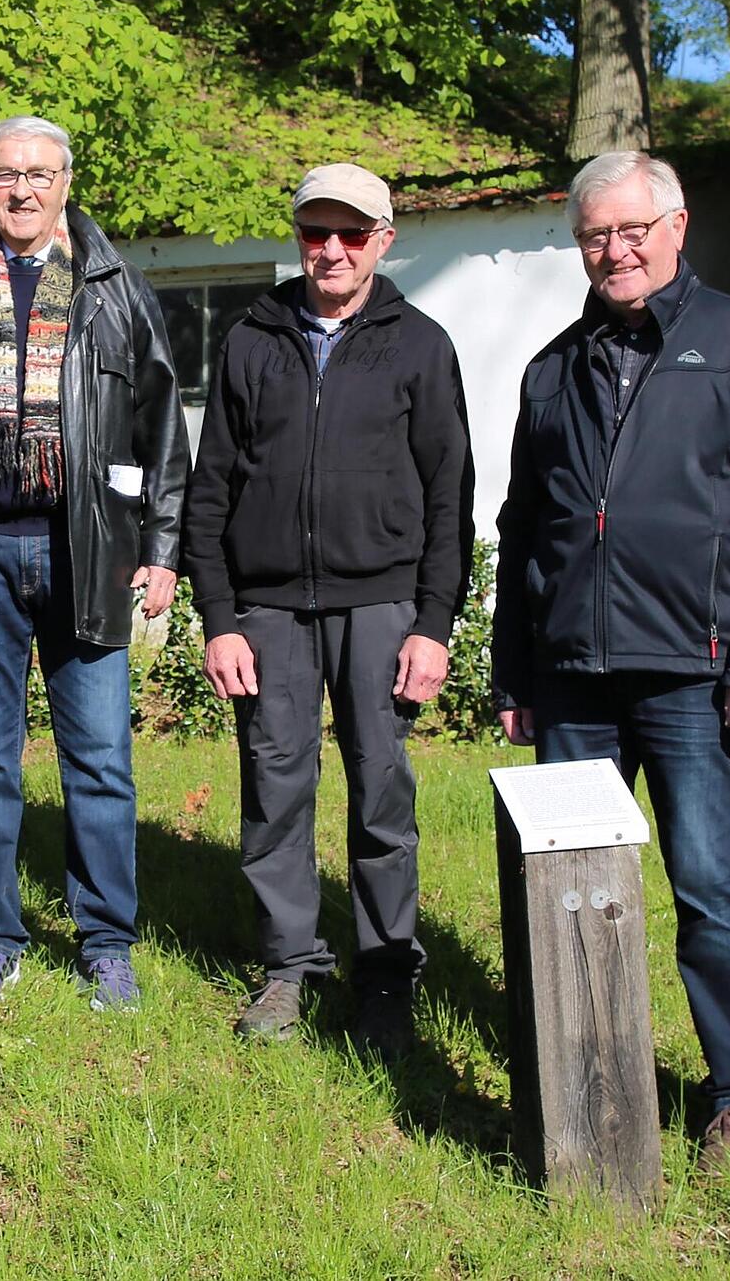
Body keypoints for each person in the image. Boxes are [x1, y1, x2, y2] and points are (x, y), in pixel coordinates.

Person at [491, 150, 730, 1168]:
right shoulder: (552, 367)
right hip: (571, 681)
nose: (614, 250)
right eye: (594, 234)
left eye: (631, 229)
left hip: (694, 671)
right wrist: (514, 670)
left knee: (706, 883)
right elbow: (522, 530)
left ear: (673, 228)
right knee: (565, 889)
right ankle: (579, 1081)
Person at [183, 163, 474, 1058]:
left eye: (352, 233)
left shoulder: (419, 344)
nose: (332, 250)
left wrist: (433, 622)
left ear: (384, 240)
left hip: (382, 603)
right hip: (269, 609)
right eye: (316, 232)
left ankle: (386, 972)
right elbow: (212, 488)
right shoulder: (250, 338)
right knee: (276, 789)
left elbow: (447, 497)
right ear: (299, 238)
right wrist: (220, 617)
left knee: (382, 793)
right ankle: (290, 967)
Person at [0, 116, 188, 1014]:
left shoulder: (117, 289)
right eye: (5, 174)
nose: (23, 191)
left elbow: (162, 428)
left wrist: (160, 550)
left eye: (40, 174)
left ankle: (106, 940)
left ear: (68, 183)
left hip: (89, 550)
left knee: (101, 758)